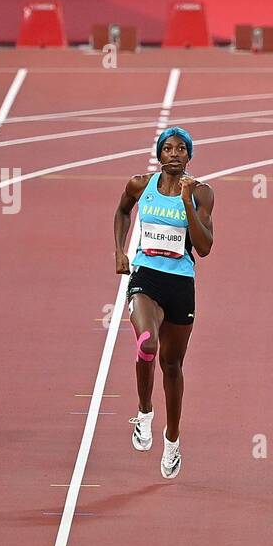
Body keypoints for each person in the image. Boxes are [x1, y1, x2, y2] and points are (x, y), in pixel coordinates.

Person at [114, 126, 213, 479]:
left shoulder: (202, 193)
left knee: (172, 366)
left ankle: (172, 439)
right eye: (167, 148)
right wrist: (119, 250)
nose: (173, 153)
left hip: (181, 283)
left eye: (180, 149)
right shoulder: (140, 185)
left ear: (189, 156)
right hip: (146, 277)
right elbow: (123, 211)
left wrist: (186, 202)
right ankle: (144, 413)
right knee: (147, 344)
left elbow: (204, 246)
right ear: (159, 154)